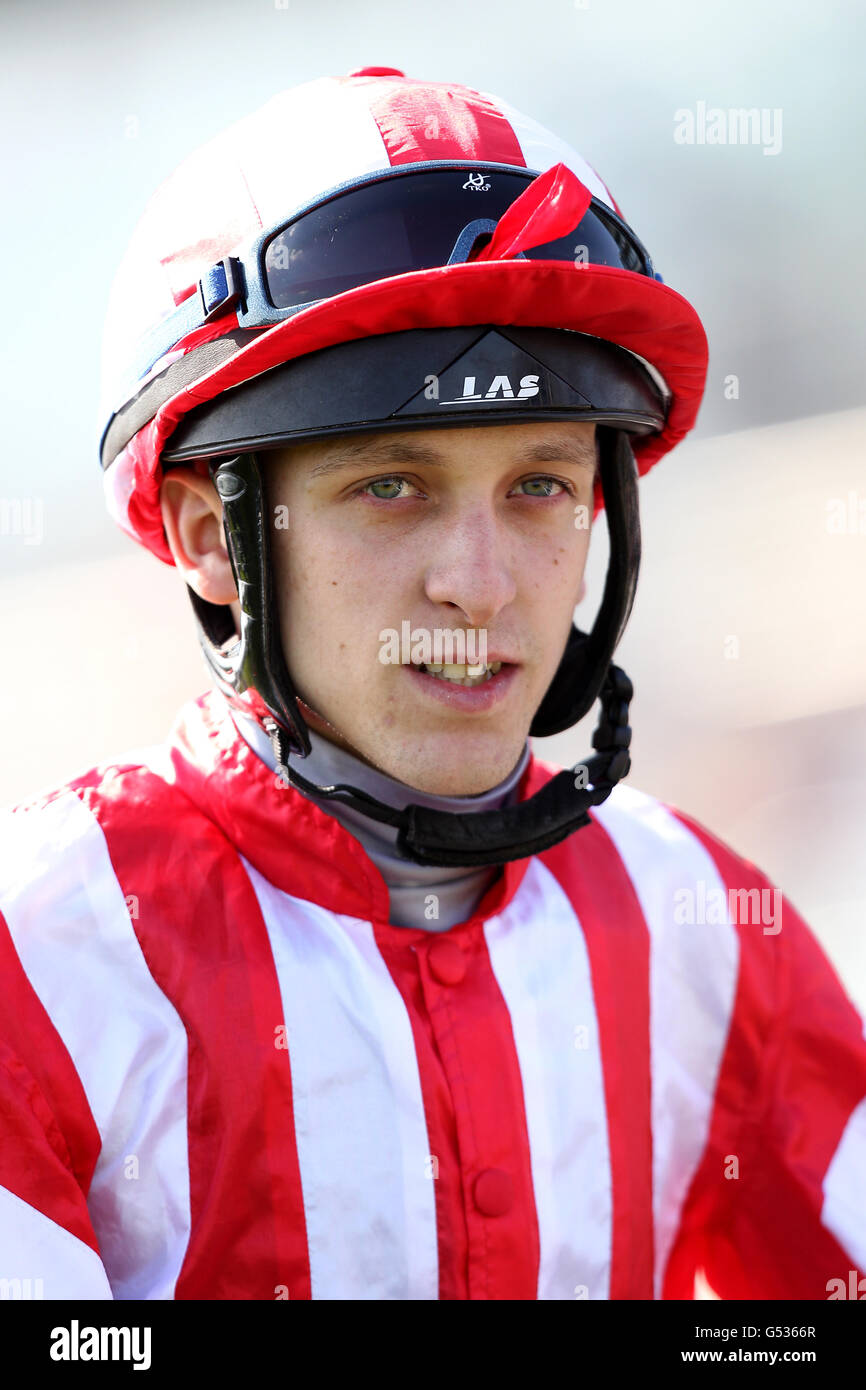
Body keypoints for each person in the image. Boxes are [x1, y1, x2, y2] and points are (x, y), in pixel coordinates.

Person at [1, 67, 863, 1303]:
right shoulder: (33, 953)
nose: (480, 583)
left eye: (541, 485)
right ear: (206, 536)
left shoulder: (704, 928)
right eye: (389, 486)